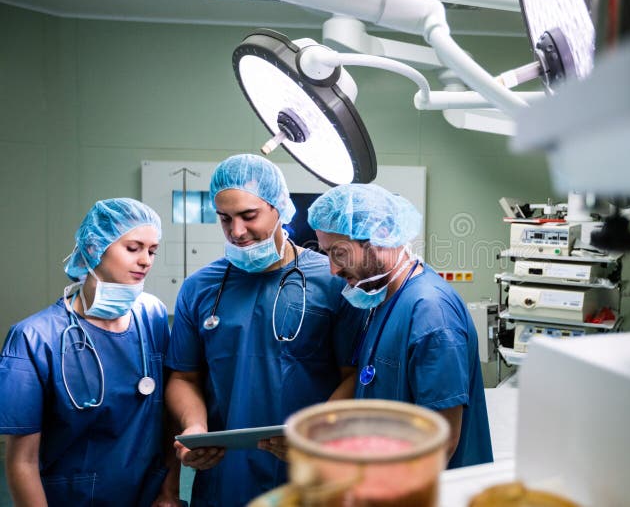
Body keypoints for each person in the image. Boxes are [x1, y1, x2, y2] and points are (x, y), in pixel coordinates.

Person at [166, 154, 366, 506]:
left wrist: (315, 433)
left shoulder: (332, 280)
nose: (236, 231)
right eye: (225, 218)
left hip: (311, 471)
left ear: (280, 209)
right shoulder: (200, 287)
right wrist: (194, 427)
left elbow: (354, 375)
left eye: (249, 216)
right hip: (226, 476)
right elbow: (184, 377)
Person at [0, 198, 181, 506]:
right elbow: (22, 461)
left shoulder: (152, 316)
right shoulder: (35, 338)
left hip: (148, 497)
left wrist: (169, 493)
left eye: (152, 251)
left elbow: (168, 419)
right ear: (94, 247)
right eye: (133, 248)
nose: (145, 261)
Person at [308, 183, 493, 469]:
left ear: (380, 236)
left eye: (339, 253)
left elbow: (441, 443)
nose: (333, 269)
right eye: (327, 253)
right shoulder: (383, 298)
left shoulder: (431, 312)